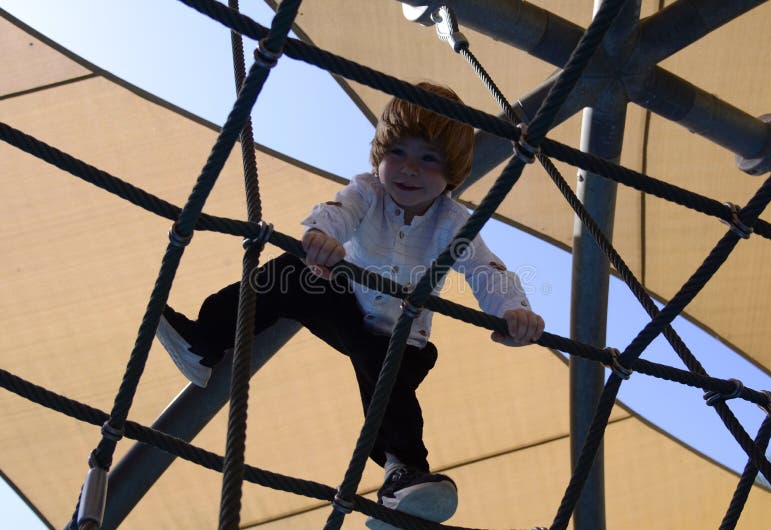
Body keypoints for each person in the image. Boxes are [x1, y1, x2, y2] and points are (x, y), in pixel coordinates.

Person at [156, 81, 544, 529]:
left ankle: (402, 480)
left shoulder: (452, 221)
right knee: (286, 275)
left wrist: (511, 310)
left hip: (402, 336)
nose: (409, 169)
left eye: (429, 158)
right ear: (381, 154)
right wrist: (322, 238)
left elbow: (484, 268)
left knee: (386, 382)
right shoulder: (368, 191)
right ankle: (203, 340)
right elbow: (339, 210)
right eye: (398, 152)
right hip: (345, 298)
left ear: (451, 172)